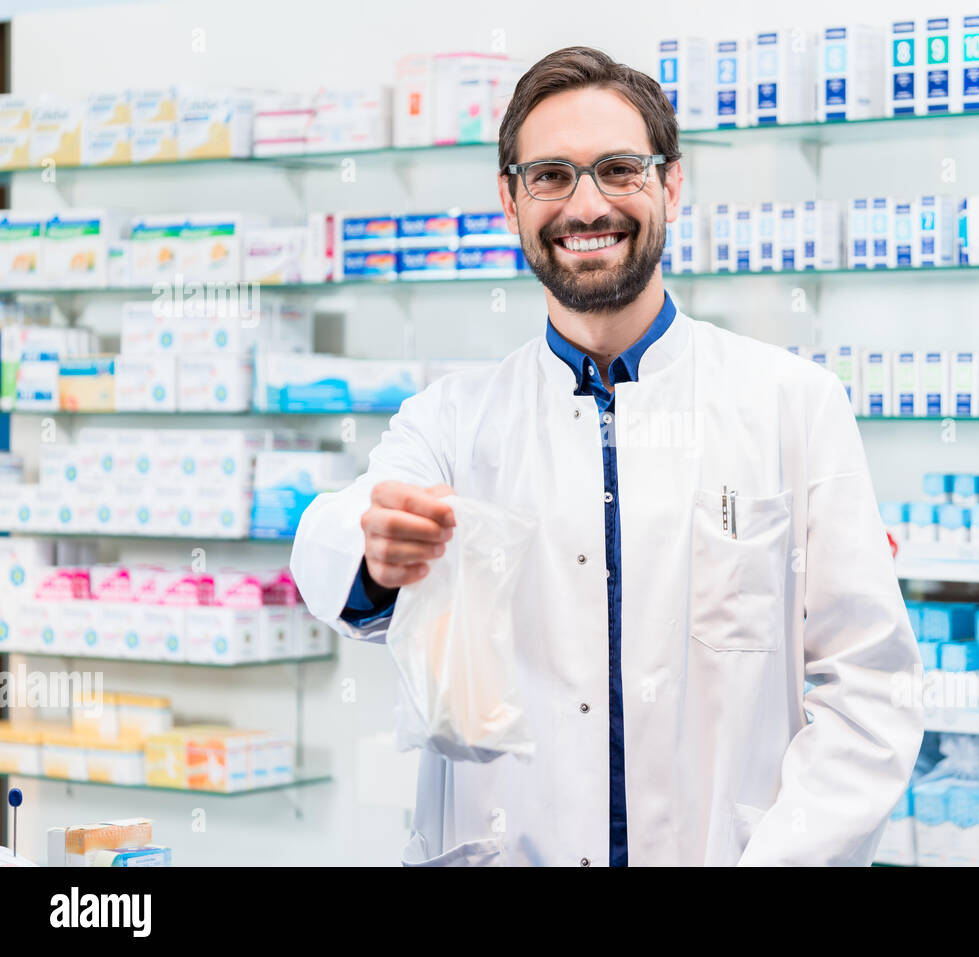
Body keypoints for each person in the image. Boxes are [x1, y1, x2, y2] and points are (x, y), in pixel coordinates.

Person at [290, 45, 922, 866]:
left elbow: (869, 684)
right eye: (550, 176)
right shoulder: (450, 420)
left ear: (671, 184)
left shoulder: (793, 404)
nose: (587, 205)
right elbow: (335, 535)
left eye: (619, 169)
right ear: (510, 200)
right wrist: (376, 553)